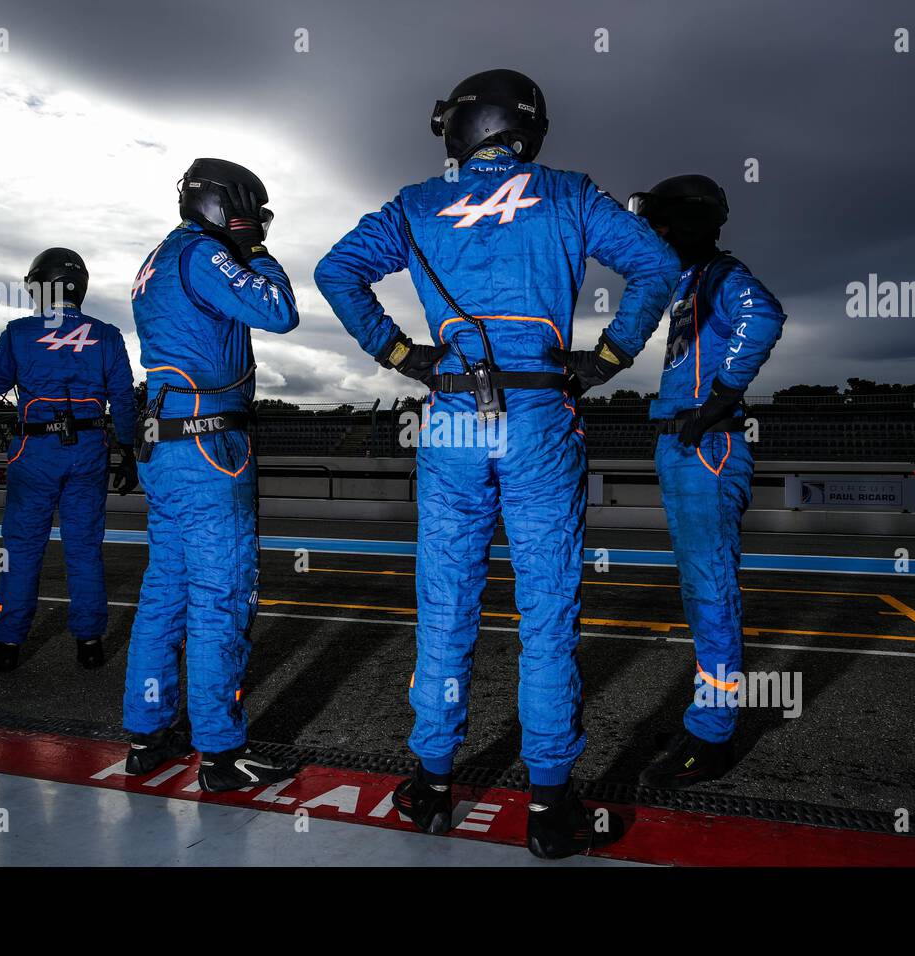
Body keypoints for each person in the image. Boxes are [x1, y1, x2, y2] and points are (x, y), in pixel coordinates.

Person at [315, 69, 676, 858]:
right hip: (541, 414)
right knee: (547, 611)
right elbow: (657, 267)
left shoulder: (415, 204)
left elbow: (334, 272)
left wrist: (402, 354)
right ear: (524, 128)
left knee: (445, 604)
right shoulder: (571, 192)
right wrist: (609, 357)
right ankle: (550, 809)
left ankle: (435, 786)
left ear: (460, 127)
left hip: (450, 417)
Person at [121, 159, 299, 791]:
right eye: (255, 214)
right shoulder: (204, 255)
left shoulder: (155, 262)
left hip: (163, 442)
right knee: (221, 597)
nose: (259, 224)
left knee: (164, 594)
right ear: (230, 207)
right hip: (209, 446)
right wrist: (261, 254)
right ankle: (222, 757)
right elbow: (279, 311)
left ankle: (146, 738)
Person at [627, 175, 786, 788]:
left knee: (711, 590)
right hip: (687, 444)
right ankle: (706, 718)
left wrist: (720, 397)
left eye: (661, 224)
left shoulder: (721, 275)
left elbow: (764, 316)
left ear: (685, 223)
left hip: (707, 448)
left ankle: (714, 737)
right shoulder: (691, 281)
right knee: (700, 593)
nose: (655, 235)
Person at [0, 248, 138, 673]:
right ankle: (90, 642)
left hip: (35, 451)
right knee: (85, 549)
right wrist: (129, 452)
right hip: (89, 449)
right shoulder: (106, 335)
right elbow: (123, 397)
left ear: (39, 285)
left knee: (21, 548)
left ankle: (8, 645)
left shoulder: (18, 331)